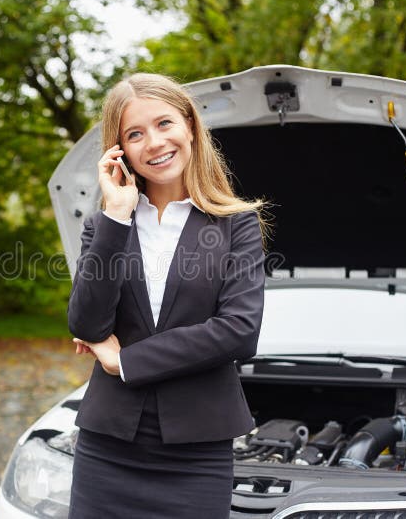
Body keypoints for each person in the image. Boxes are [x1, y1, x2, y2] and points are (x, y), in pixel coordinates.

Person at [67, 72, 267, 518]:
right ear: (119, 151)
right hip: (107, 450)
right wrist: (117, 217)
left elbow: (238, 332)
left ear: (190, 127)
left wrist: (125, 360)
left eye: (164, 124)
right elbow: (86, 323)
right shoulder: (103, 226)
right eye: (134, 134)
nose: (154, 143)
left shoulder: (236, 224)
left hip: (196, 455)